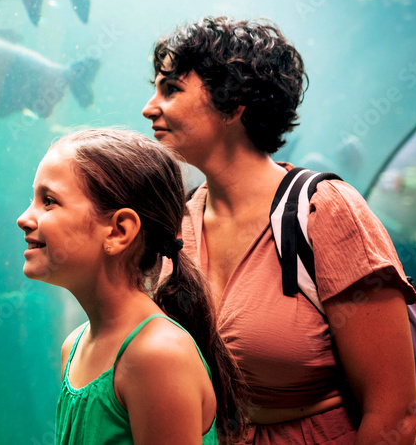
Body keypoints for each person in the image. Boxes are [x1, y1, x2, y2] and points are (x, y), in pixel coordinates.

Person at [142, 16, 416, 445]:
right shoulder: (177, 221)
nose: (149, 107)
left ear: (233, 102)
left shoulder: (325, 211)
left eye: (171, 89)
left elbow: (395, 417)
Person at [16, 128, 246, 445]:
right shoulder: (74, 346)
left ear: (118, 231)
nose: (24, 218)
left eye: (49, 201)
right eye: (33, 200)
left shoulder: (157, 355)